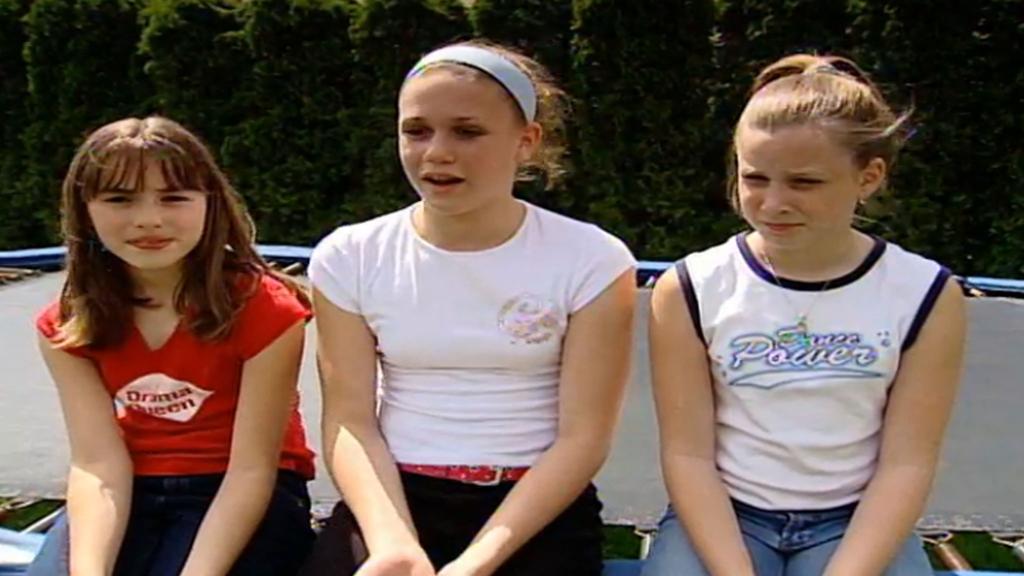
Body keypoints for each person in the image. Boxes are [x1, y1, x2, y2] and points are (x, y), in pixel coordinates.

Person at [302, 41, 637, 576]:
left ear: (526, 141)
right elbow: (349, 421)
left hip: (535, 511)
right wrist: (393, 545)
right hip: (394, 502)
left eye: (467, 132)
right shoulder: (350, 256)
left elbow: (583, 438)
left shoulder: (592, 259)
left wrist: (477, 563)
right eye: (417, 131)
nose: (437, 152)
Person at [643, 54, 966, 576]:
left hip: (854, 521)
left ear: (869, 176)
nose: (774, 203)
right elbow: (688, 456)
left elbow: (907, 463)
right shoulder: (691, 288)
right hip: (728, 517)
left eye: (805, 183)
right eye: (755, 178)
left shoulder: (925, 293)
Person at [28, 116, 317, 576]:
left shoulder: (266, 309)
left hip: (241, 493)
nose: (149, 219)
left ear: (210, 204)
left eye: (174, 197)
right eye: (119, 199)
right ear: (85, 210)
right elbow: (99, 464)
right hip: (129, 491)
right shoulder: (67, 324)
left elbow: (252, 469)